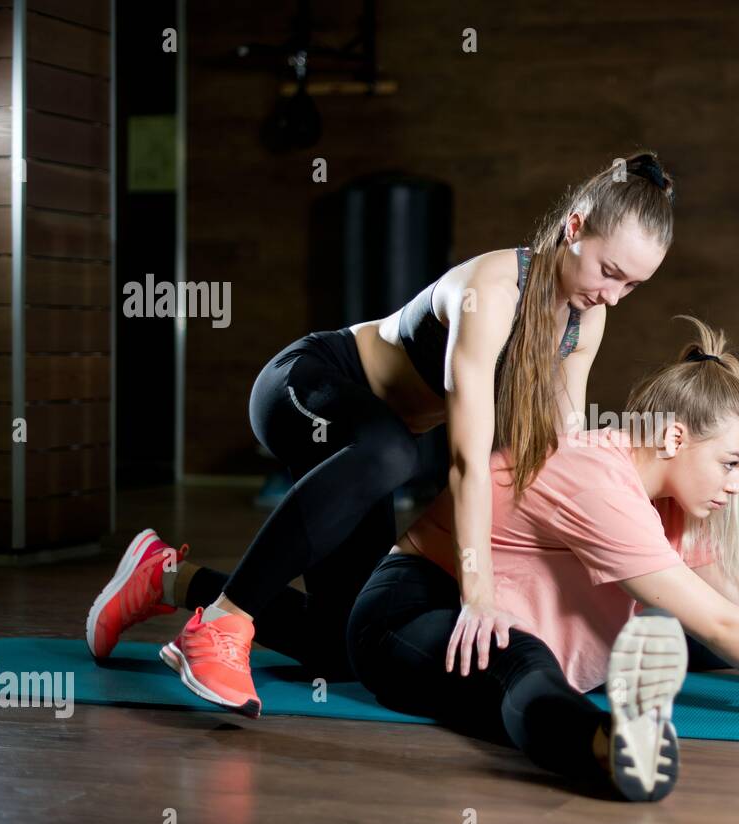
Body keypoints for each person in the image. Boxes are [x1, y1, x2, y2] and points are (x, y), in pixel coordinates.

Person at [85, 152, 676, 717]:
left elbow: (559, 453)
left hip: (371, 446)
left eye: (632, 286)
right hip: (307, 384)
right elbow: (468, 462)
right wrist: (479, 593)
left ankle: (165, 575)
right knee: (395, 452)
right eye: (609, 272)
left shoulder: (583, 322)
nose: (613, 296)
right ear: (574, 227)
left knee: (342, 641)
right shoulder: (494, 290)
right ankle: (221, 622)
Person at [344, 317, 739, 801]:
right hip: (415, 611)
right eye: (730, 463)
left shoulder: (668, 495)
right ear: (672, 437)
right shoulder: (597, 479)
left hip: (527, 617)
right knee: (522, 660)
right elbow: (726, 623)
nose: (735, 486)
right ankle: (606, 746)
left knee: (684, 627)